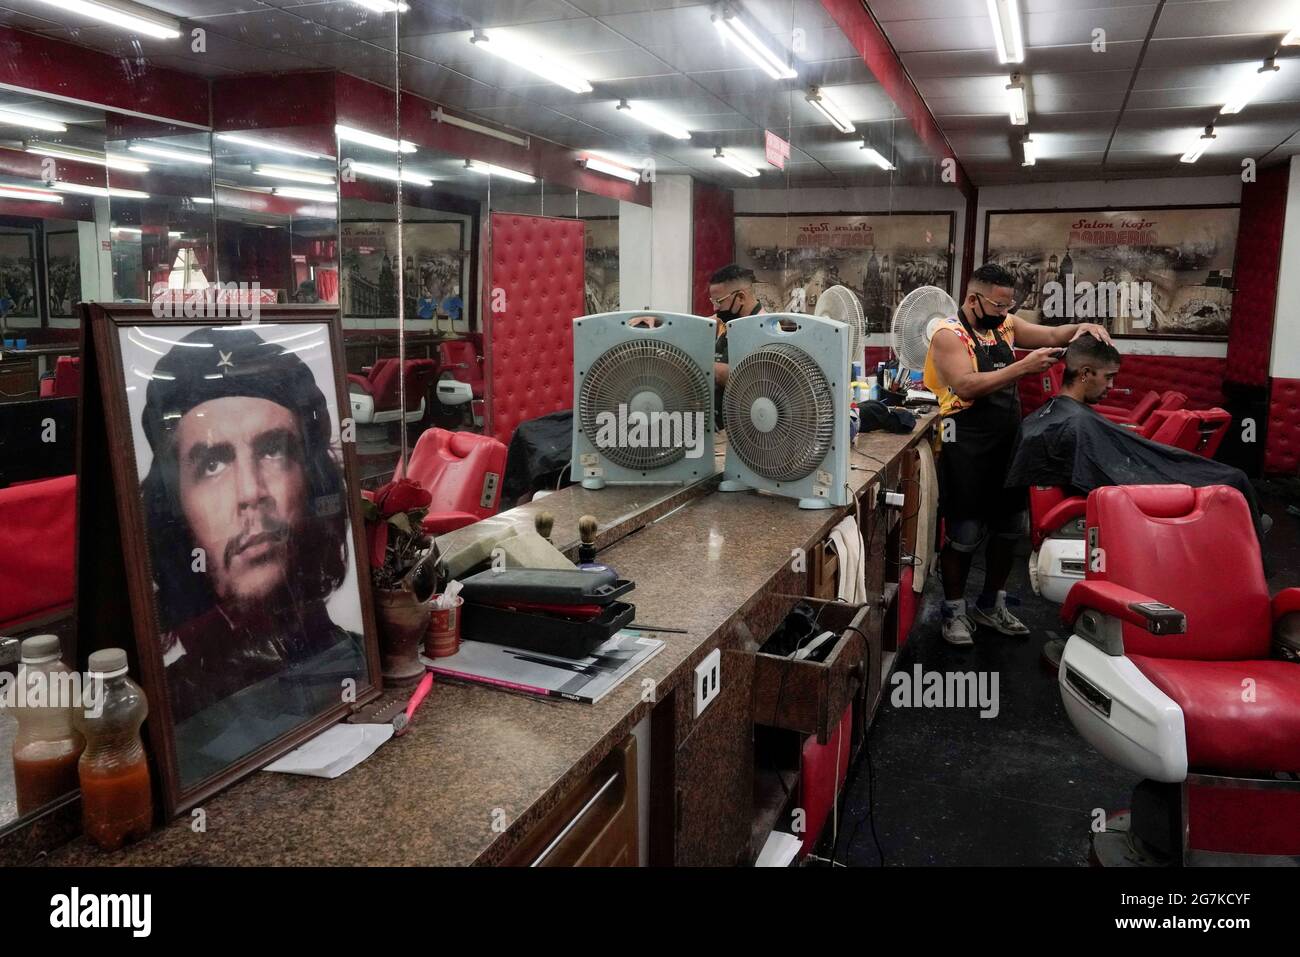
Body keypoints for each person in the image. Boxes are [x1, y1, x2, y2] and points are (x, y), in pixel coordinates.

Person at [138, 327, 365, 735]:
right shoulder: (158, 722)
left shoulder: (364, 671)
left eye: (273, 450)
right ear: (175, 509)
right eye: (212, 464)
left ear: (313, 482)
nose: (251, 493)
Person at [924, 263, 1112, 647]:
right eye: (998, 304)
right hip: (967, 446)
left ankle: (990, 605)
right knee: (965, 533)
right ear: (974, 299)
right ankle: (954, 611)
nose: (1005, 312)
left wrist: (1081, 328)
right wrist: (1022, 366)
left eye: (1010, 304)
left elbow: (1052, 332)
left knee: (1009, 531)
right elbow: (967, 385)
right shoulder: (948, 335)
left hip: (1008, 443)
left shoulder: (1006, 325)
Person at [1006, 333, 1267, 542]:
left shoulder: (1051, 419)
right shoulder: (1074, 423)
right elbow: (1099, 473)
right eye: (1108, 377)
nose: (1110, 386)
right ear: (1085, 373)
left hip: (1118, 480)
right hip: (1118, 497)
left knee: (1227, 477)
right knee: (1232, 480)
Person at [706, 264, 765, 431]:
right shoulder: (729, 322)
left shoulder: (764, 332)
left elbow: (747, 378)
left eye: (719, 302)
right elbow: (691, 326)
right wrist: (655, 321)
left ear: (740, 297)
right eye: (713, 301)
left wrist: (699, 364)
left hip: (745, 432)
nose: (715, 308)